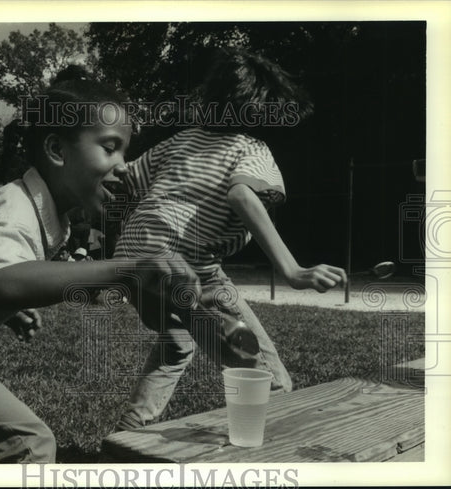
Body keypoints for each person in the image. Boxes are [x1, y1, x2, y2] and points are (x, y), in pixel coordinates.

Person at [0, 66, 201, 464]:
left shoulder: (39, 210)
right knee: (25, 443)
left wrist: (5, 308)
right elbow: (2, 283)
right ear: (57, 150)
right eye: (110, 147)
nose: (125, 165)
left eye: (126, 152)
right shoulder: (15, 207)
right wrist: (129, 268)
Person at [114, 48, 347, 429]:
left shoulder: (181, 140)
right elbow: (241, 195)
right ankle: (266, 447)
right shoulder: (249, 148)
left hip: (133, 261)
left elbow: (126, 179)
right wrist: (293, 270)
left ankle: (130, 429)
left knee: (177, 345)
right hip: (188, 263)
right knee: (272, 380)